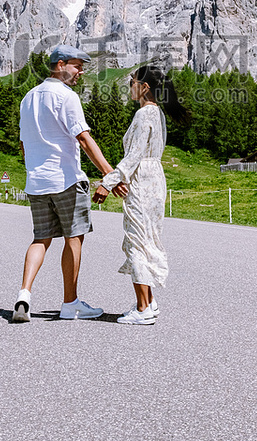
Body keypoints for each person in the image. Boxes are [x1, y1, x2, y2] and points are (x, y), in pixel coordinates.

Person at [12, 45, 126, 322]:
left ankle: (24, 294)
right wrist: (111, 175)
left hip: (37, 182)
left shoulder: (28, 97)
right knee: (74, 238)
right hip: (65, 179)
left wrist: (34, 169)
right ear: (60, 64)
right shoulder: (66, 96)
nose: (81, 72)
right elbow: (84, 139)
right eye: (77, 66)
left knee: (41, 238)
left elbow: (24, 144)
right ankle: (70, 303)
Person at [94, 65, 190, 326]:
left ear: (144, 87)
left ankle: (142, 308)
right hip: (155, 179)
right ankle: (150, 301)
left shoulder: (143, 115)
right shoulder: (157, 114)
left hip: (141, 180)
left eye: (131, 81)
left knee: (137, 240)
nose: (129, 86)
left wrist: (108, 182)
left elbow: (133, 156)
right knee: (148, 238)